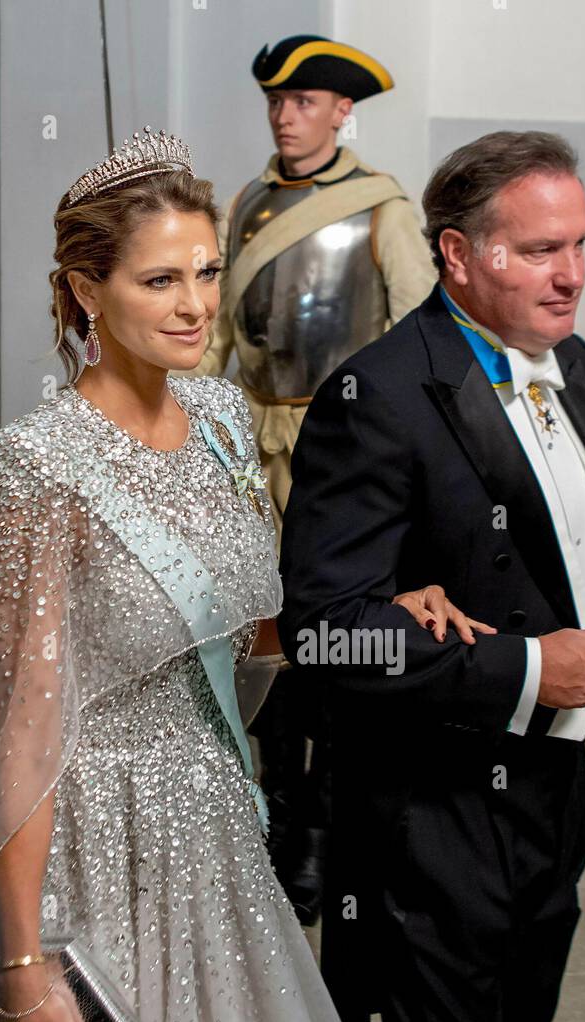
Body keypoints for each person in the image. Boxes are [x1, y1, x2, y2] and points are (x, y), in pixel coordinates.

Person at [0, 127, 442, 1022]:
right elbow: (24, 726)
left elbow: (241, 622)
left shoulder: (214, 414)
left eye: (208, 270)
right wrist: (22, 965)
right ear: (82, 291)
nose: (198, 302)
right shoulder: (33, 465)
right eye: (161, 278)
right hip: (95, 837)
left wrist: (382, 602)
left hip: (210, 818)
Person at [278, 130, 585, 1022]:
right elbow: (323, 624)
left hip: (550, 788)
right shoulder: (380, 396)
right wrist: (514, 671)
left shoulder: (575, 363)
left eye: (578, 246)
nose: (569, 274)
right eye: (536, 250)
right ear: (455, 254)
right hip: (430, 793)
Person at [177, 34, 436, 924]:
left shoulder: (383, 209)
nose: (287, 116)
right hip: (253, 440)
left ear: (341, 111)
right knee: (261, 623)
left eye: (306, 101)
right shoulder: (246, 201)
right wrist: (187, 424)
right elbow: (215, 333)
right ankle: (272, 802)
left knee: (333, 627)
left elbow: (419, 336)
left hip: (346, 447)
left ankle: (322, 829)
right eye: (277, 102)